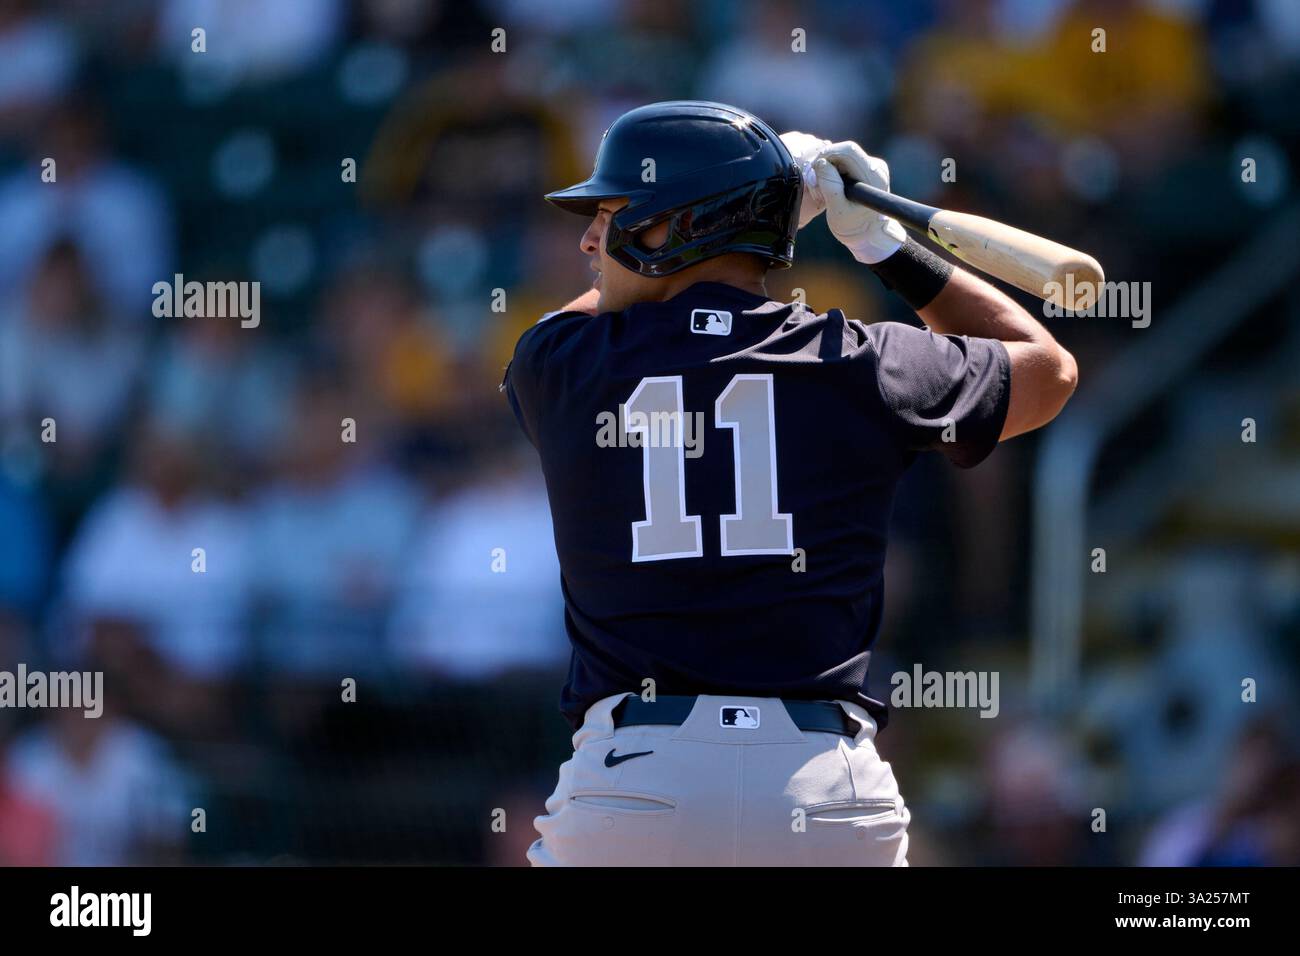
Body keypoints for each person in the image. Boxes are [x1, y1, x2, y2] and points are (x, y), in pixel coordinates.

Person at [503, 101, 1077, 866]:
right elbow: (1047, 367)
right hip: (825, 792)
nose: (588, 240)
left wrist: (774, 200)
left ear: (668, 229)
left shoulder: (565, 368)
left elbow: (565, 323)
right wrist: (885, 247)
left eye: (610, 215)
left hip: (636, 789)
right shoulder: (862, 361)